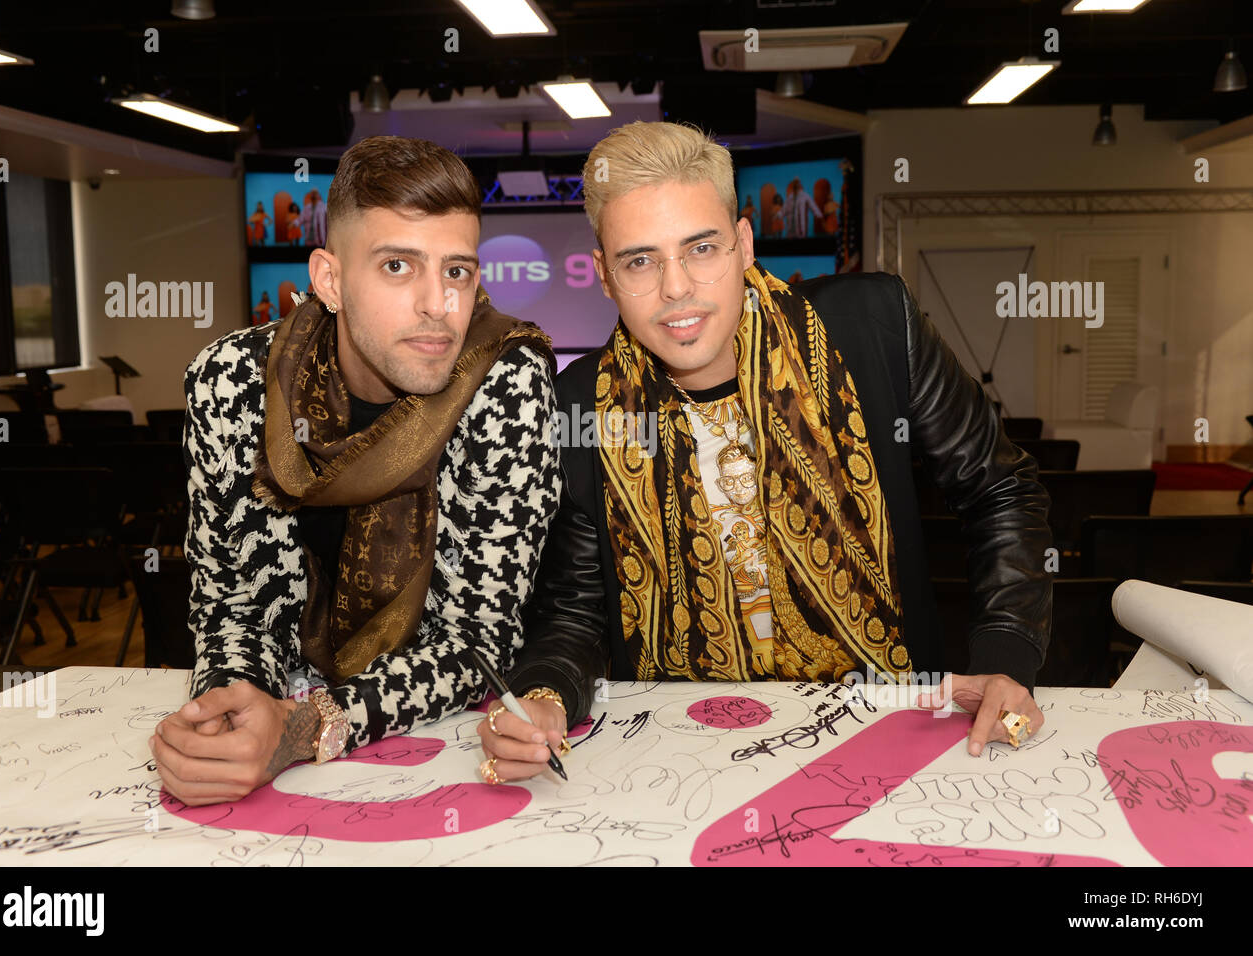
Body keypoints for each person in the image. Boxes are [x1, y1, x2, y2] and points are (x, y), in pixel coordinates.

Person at [477, 120, 1053, 783]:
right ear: (603, 276)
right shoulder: (579, 403)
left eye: (701, 248)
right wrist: (543, 697)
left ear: (744, 244)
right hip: (683, 762)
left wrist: (1007, 654)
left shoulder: (872, 328)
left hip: (889, 738)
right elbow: (577, 613)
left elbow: (1000, 490)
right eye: (640, 260)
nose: (676, 288)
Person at [152, 135, 564, 806]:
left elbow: (480, 638)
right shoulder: (231, 383)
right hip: (285, 718)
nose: (440, 304)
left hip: (440, 749)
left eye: (457, 271)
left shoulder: (505, 380)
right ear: (331, 280)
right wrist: (232, 711)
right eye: (399, 266)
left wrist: (303, 728)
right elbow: (233, 605)